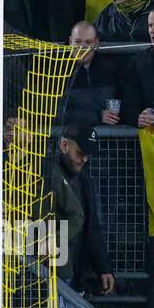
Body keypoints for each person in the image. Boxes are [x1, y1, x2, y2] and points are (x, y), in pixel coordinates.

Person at [47, 123, 112, 296]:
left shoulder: (84, 181)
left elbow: (91, 226)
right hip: (47, 272)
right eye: (81, 153)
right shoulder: (45, 175)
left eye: (88, 155)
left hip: (73, 274)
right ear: (64, 145)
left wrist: (103, 267)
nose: (85, 159)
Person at [65, 22, 120, 129]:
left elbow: (122, 102)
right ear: (70, 42)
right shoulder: (57, 72)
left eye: (88, 42)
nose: (82, 47)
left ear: (96, 43)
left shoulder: (110, 70)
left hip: (107, 137)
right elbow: (55, 113)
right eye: (78, 42)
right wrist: (97, 116)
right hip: (71, 136)